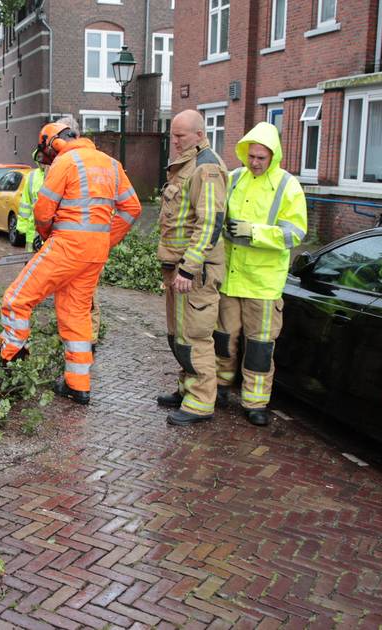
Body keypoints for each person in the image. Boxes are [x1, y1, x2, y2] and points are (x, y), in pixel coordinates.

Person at [0, 121, 141, 404]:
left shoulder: (66, 161)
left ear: (53, 143)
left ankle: (9, 359)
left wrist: (46, 236)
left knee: (16, 299)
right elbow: (132, 208)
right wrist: (105, 238)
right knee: (75, 314)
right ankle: (78, 384)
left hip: (66, 247)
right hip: (95, 254)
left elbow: (43, 209)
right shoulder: (111, 164)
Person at [215, 122, 308, 427]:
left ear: (273, 157)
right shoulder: (235, 178)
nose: (254, 162)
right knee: (224, 340)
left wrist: (253, 232)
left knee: (259, 347)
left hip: (264, 285)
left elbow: (294, 234)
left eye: (261, 158)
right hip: (231, 278)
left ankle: (255, 403)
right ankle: (219, 388)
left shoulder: (287, 186)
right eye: (250, 156)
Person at [155, 110, 229, 426]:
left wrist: (189, 267)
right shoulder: (188, 165)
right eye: (173, 135)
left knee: (196, 335)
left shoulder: (206, 167)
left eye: (181, 136)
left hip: (193, 272)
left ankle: (200, 402)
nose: (174, 141)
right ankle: (187, 388)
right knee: (179, 334)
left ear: (199, 135)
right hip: (179, 269)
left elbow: (210, 221)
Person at [15, 117, 103, 350]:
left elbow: (50, 212)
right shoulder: (36, 175)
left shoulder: (76, 167)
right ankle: (76, 354)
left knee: (81, 302)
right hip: (50, 242)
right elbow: (30, 209)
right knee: (65, 301)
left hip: (70, 245)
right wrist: (27, 235)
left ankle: (88, 340)